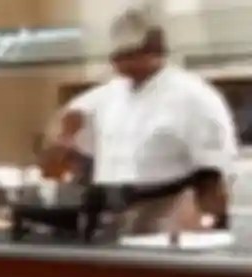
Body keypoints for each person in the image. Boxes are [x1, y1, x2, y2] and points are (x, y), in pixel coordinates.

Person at [49, 6, 238, 234]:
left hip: (169, 207)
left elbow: (214, 171)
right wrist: (66, 137)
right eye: (116, 56)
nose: (117, 62)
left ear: (153, 51)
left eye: (128, 55)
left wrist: (209, 223)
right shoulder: (112, 91)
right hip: (112, 210)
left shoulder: (194, 95)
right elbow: (75, 113)